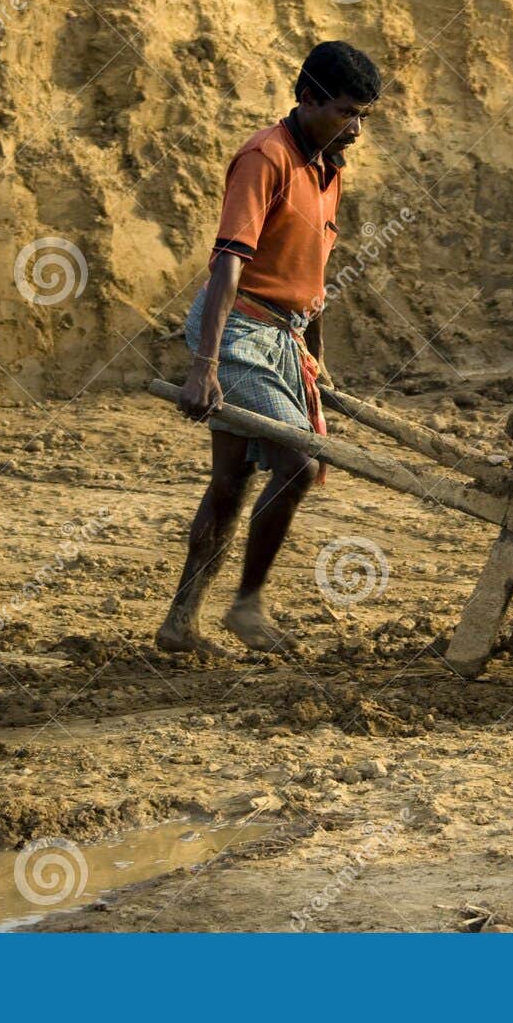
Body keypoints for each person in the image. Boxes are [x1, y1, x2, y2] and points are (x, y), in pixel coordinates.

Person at [159, 40, 381, 656]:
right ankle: (247, 606)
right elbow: (229, 263)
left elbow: (312, 276)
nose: (356, 130)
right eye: (346, 113)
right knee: (299, 463)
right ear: (308, 99)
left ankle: (180, 624)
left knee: (230, 480)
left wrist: (316, 355)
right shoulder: (266, 158)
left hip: (283, 335)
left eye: (364, 116)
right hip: (236, 330)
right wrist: (204, 366)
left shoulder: (328, 168)